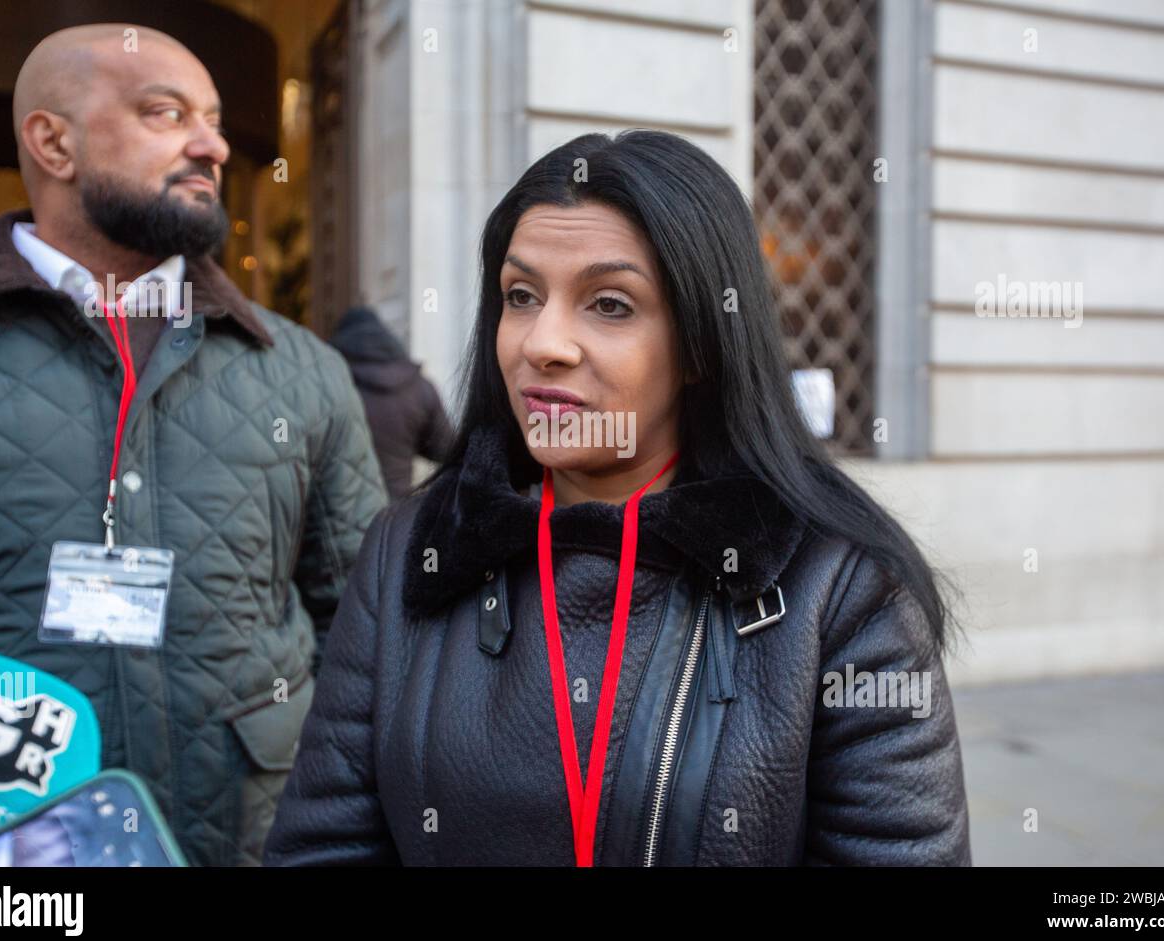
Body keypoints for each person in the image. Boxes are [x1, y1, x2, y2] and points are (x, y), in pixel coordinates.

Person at [263, 129, 970, 866]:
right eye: (521, 295)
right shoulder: (410, 553)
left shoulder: (839, 588)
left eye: (608, 303)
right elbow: (324, 846)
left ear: (701, 343)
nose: (544, 343)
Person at [0, 23, 387, 866]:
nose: (211, 145)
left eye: (211, 118)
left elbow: (368, 636)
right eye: (166, 113)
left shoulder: (304, 372)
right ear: (53, 142)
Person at [328, 305, 455, 500]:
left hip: (342, 514)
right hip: (394, 518)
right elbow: (447, 451)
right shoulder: (419, 388)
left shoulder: (328, 385)